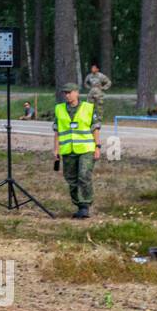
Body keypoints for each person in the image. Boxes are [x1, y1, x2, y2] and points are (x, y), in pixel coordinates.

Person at [53, 83, 100, 219]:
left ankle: (85, 205)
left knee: (84, 175)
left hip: (86, 149)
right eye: (65, 93)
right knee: (71, 178)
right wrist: (56, 149)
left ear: (77, 93)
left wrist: (97, 146)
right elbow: (57, 130)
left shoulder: (88, 108)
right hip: (68, 150)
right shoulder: (59, 109)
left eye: (70, 92)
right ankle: (78, 205)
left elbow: (95, 128)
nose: (67, 95)